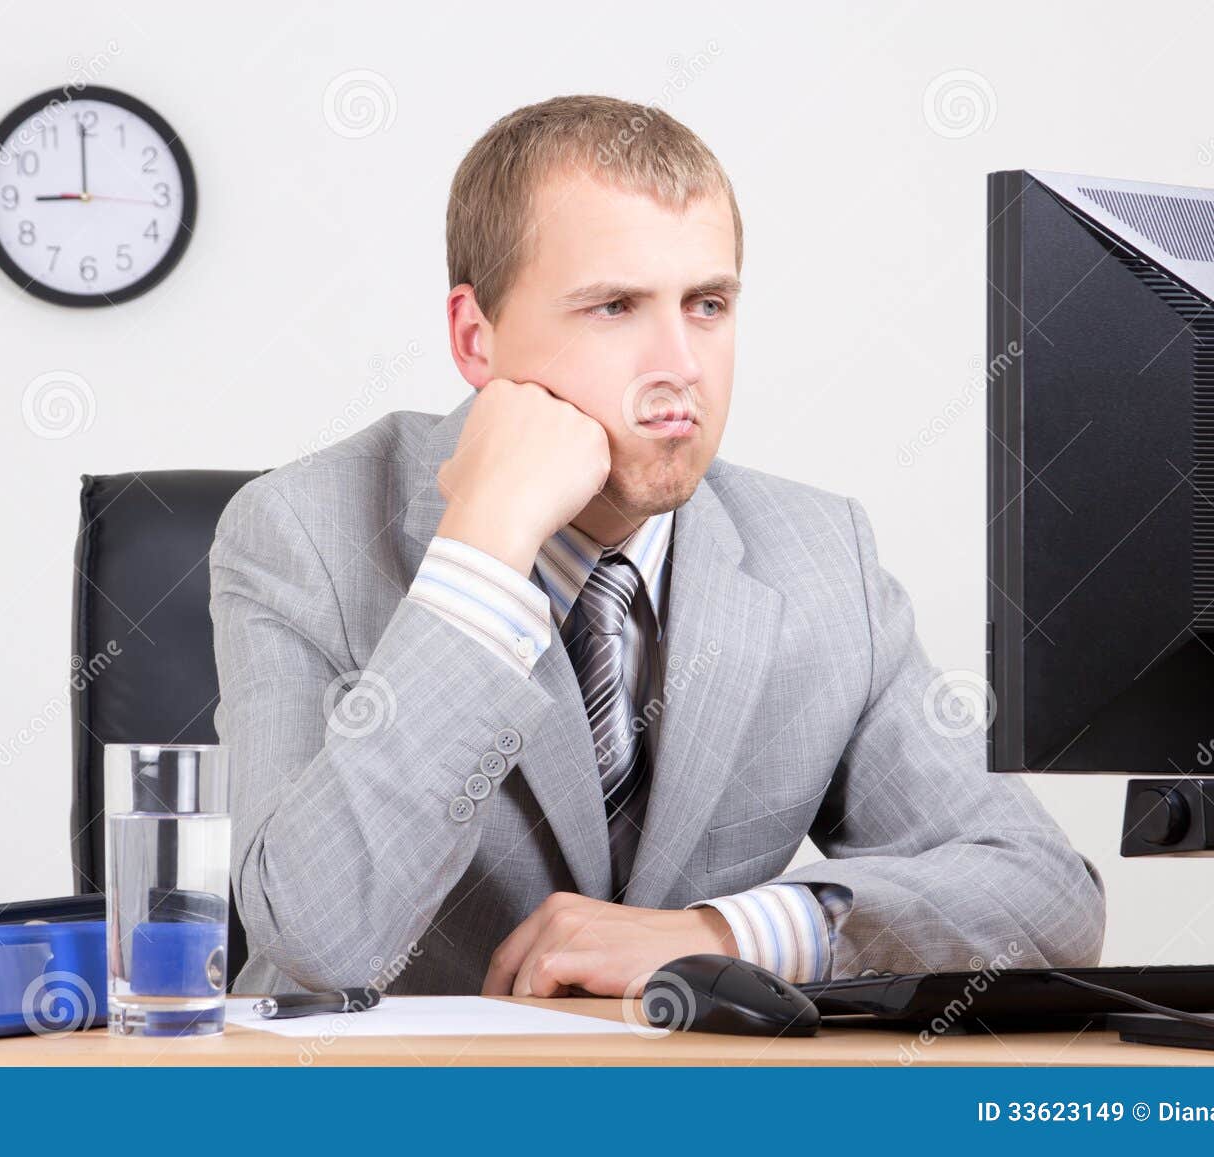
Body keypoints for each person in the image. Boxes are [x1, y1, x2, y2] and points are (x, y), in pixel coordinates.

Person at [210, 94, 1104, 998]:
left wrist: (725, 933)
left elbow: (1044, 896)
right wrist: (483, 552)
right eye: (614, 307)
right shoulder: (302, 532)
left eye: (707, 303)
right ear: (476, 338)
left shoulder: (823, 557)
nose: (679, 364)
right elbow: (319, 939)